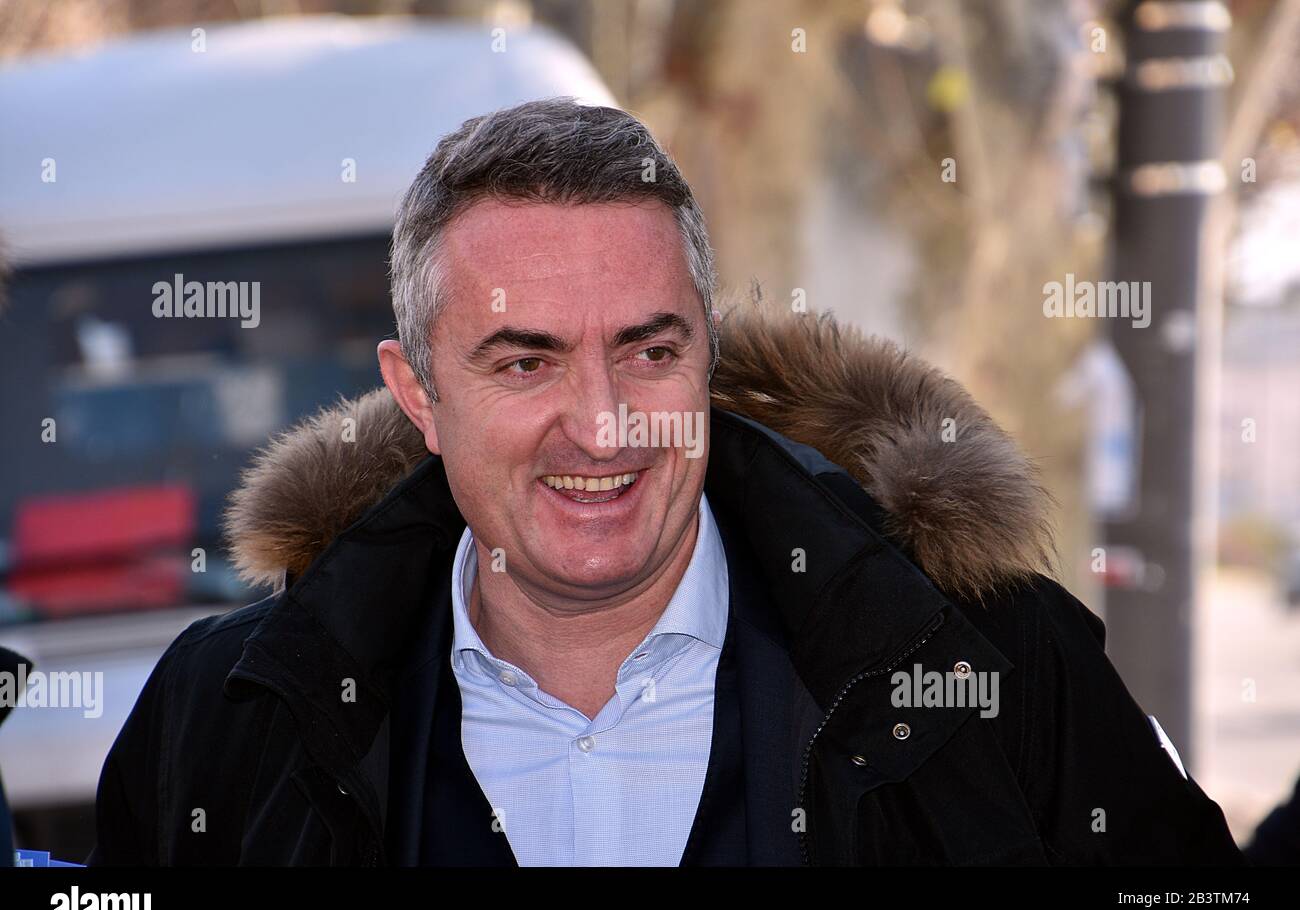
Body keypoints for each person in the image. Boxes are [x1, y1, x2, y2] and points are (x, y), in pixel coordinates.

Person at [89, 97, 1243, 866]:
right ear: (419, 394)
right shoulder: (229, 713)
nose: (602, 426)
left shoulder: (989, 668)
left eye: (648, 351)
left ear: (708, 349)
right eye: (526, 359)